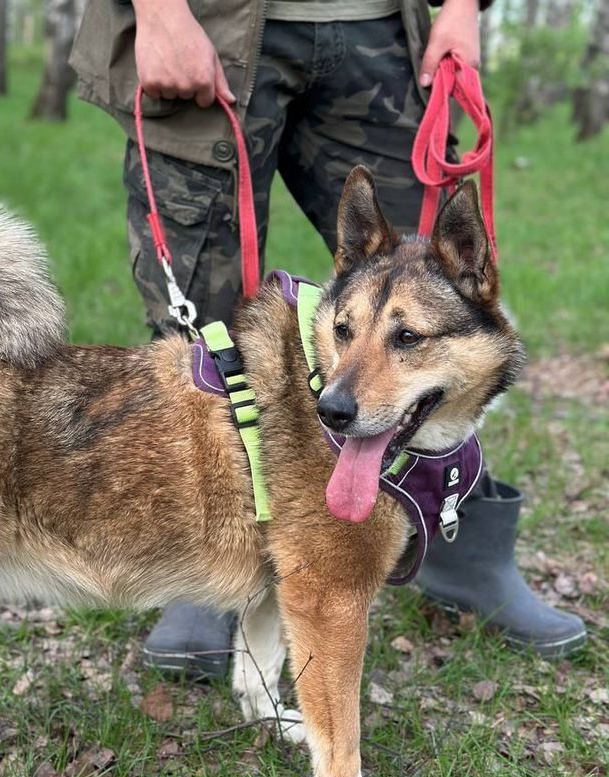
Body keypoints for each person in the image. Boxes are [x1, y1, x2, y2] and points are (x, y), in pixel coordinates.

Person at [69, 0, 587, 674]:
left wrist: (460, 7)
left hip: (378, 29)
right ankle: (210, 566)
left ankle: (462, 544)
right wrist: (159, 11)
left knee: (439, 301)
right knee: (204, 330)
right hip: (210, 24)